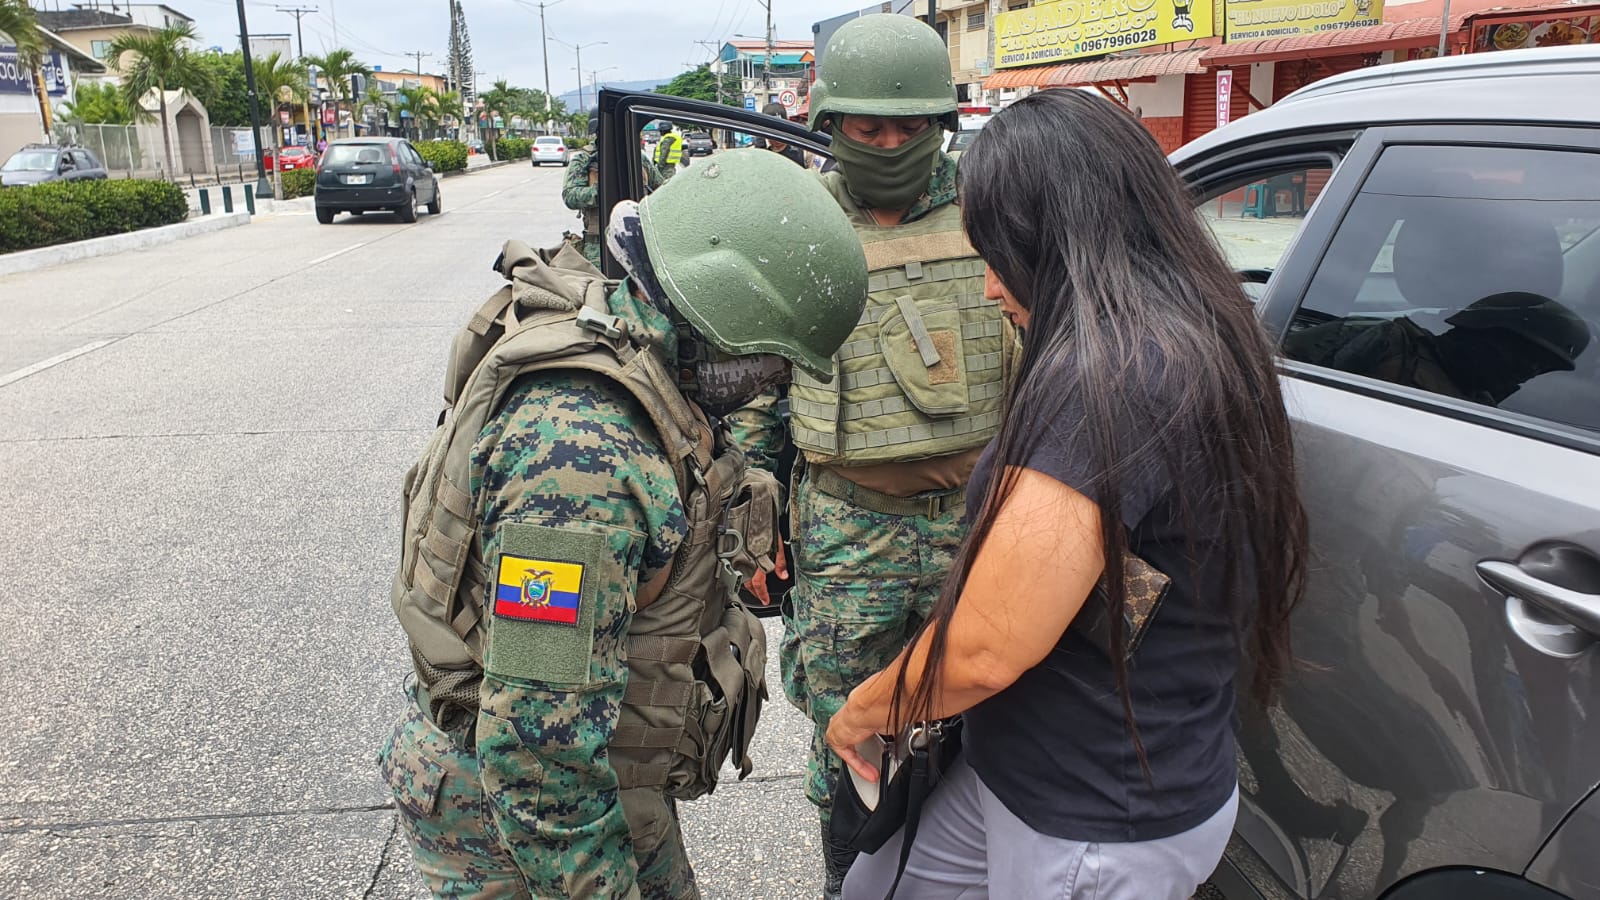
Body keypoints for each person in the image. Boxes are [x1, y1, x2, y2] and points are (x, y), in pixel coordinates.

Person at [823, 88, 1311, 900]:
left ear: (1050, 243)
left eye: (996, 256)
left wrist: (865, 710)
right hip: (1031, 766)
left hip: (1090, 813)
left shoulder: (1109, 379)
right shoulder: (1185, 326)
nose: (987, 288)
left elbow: (985, 646)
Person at [381, 150, 870, 900]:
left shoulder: (647, 358)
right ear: (719, 317)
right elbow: (535, 754)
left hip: (593, 777)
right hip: (515, 822)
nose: (776, 379)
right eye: (773, 359)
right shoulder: (581, 466)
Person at [730, 13, 1017, 898]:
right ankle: (852, 881)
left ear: (943, 122)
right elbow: (758, 386)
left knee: (998, 726)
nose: (892, 144)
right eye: (869, 127)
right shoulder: (799, 223)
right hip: (847, 530)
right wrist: (754, 524)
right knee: (849, 735)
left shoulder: (996, 205)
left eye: (911, 126)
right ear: (830, 122)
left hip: (984, 525)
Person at [1282, 291, 1590, 406]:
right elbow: (1278, 372)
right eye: (1525, 357)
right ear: (1484, 333)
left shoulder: (1481, 406)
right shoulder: (1386, 340)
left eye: (1539, 368)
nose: (1528, 373)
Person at [564, 110, 666, 268]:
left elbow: (662, 191)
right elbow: (570, 196)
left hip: (640, 242)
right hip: (598, 246)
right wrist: (603, 189)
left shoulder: (638, 158)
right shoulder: (583, 160)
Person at [754, 102, 807, 168]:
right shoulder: (756, 151)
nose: (777, 138)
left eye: (781, 130)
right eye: (772, 131)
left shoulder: (804, 150)